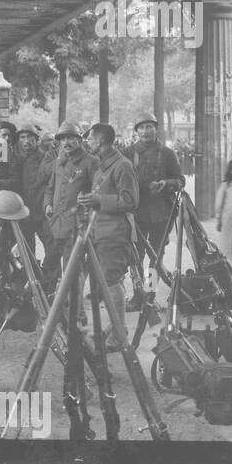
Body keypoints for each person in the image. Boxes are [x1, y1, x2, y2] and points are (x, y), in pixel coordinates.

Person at [77, 123, 138, 351]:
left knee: (112, 282)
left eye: (90, 139)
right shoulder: (104, 165)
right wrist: (92, 199)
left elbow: (131, 201)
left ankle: (119, 335)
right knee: (108, 281)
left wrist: (98, 200)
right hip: (100, 231)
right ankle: (115, 328)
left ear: (101, 141)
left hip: (114, 233)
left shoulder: (122, 166)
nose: (88, 142)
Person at [121, 113, 185, 311]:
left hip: (160, 214)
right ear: (136, 131)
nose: (145, 131)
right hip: (136, 213)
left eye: (149, 127)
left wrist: (166, 183)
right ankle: (137, 295)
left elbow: (180, 180)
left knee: (155, 257)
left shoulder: (167, 153)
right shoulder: (127, 153)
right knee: (135, 256)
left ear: (156, 129)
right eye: (141, 127)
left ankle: (149, 295)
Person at [43, 122, 99, 282]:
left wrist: (88, 199)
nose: (66, 142)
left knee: (72, 270)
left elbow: (99, 190)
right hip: (55, 224)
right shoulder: (59, 162)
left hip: (77, 226)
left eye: (70, 138)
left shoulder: (91, 162)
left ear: (80, 140)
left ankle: (74, 307)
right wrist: (47, 204)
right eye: (62, 139)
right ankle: (55, 301)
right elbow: (50, 187)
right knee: (51, 267)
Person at [18, 125, 51, 263]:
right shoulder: (17, 159)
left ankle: (52, 280)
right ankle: (32, 279)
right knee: (26, 250)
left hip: (41, 212)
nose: (26, 141)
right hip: (23, 212)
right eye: (22, 137)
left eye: (30, 137)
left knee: (51, 248)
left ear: (36, 140)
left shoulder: (45, 158)